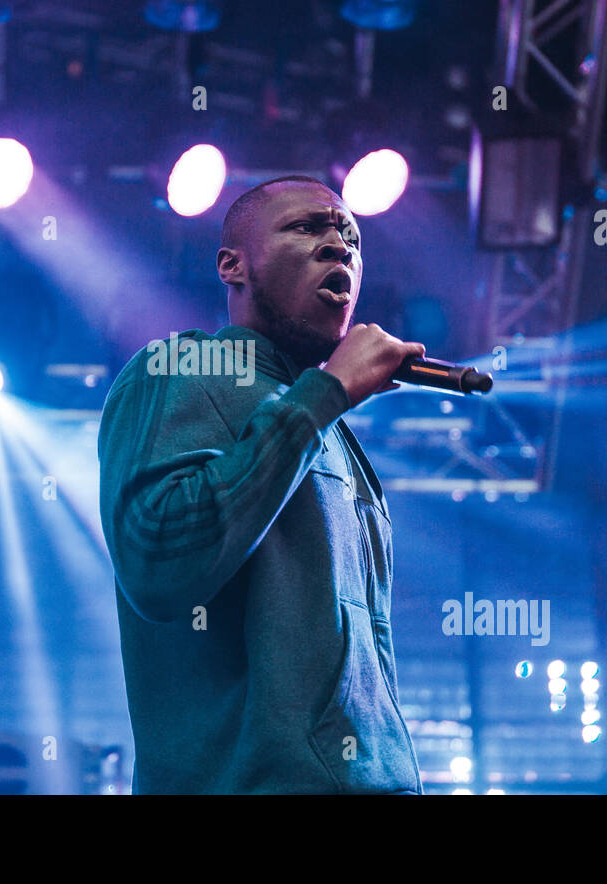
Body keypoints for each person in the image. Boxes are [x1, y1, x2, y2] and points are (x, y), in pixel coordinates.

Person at [97, 175, 425, 793]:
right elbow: (158, 562)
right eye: (308, 228)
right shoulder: (182, 370)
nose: (339, 247)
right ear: (233, 265)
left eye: (350, 237)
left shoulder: (334, 433)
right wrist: (325, 392)